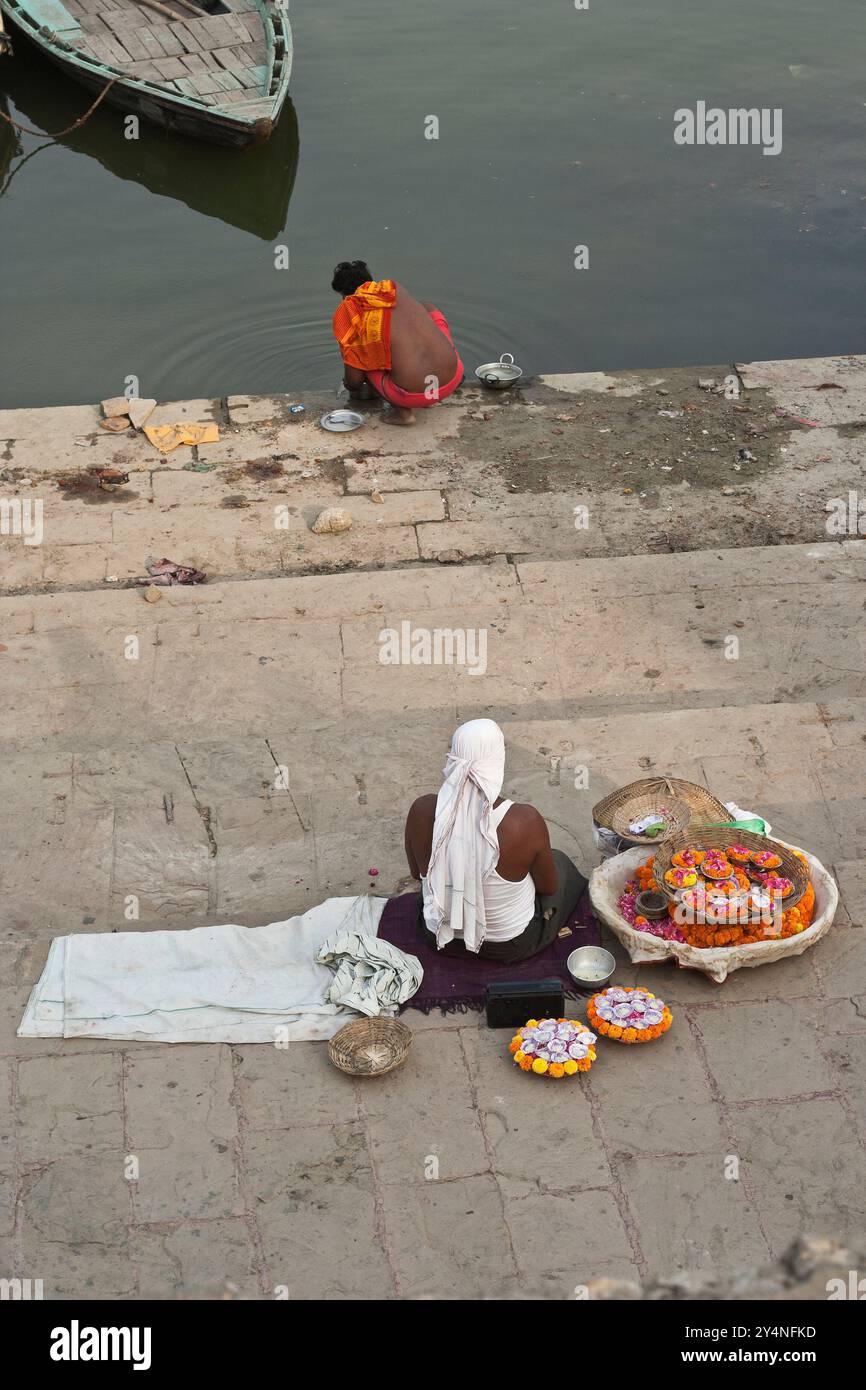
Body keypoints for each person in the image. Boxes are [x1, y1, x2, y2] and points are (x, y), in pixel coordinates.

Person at [403, 718, 587, 962]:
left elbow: (417, 874)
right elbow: (548, 888)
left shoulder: (421, 810)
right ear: (497, 761)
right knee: (559, 863)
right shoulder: (524, 821)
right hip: (510, 945)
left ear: (452, 758)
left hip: (439, 938)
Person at [331, 260, 464, 426]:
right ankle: (430, 394)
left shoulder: (353, 316)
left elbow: (354, 382)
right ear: (370, 281)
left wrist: (348, 383)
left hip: (413, 396)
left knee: (363, 359)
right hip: (452, 378)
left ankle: (403, 414)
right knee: (429, 308)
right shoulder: (393, 289)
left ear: (345, 296)